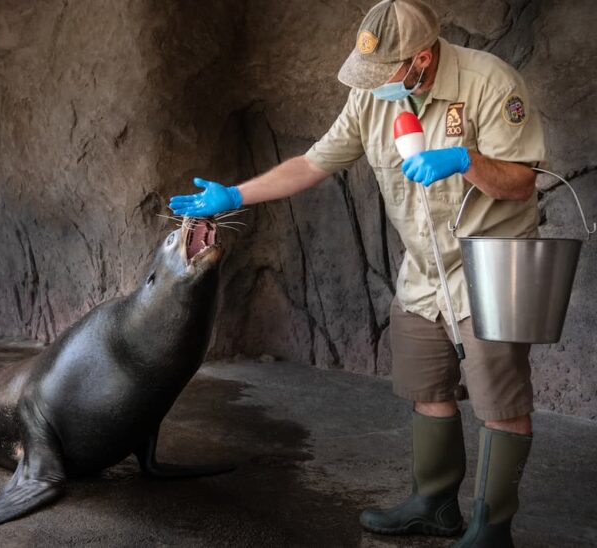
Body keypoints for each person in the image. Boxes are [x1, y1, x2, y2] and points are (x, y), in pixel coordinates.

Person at [169, 1, 547, 546]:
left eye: (384, 71)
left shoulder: (490, 83)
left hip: (491, 264)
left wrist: (467, 160)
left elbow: (521, 182)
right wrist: (234, 195)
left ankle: (492, 528)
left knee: (501, 403)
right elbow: (313, 163)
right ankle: (434, 504)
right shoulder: (373, 95)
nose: (372, 83)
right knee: (427, 386)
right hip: (424, 270)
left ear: (422, 59)